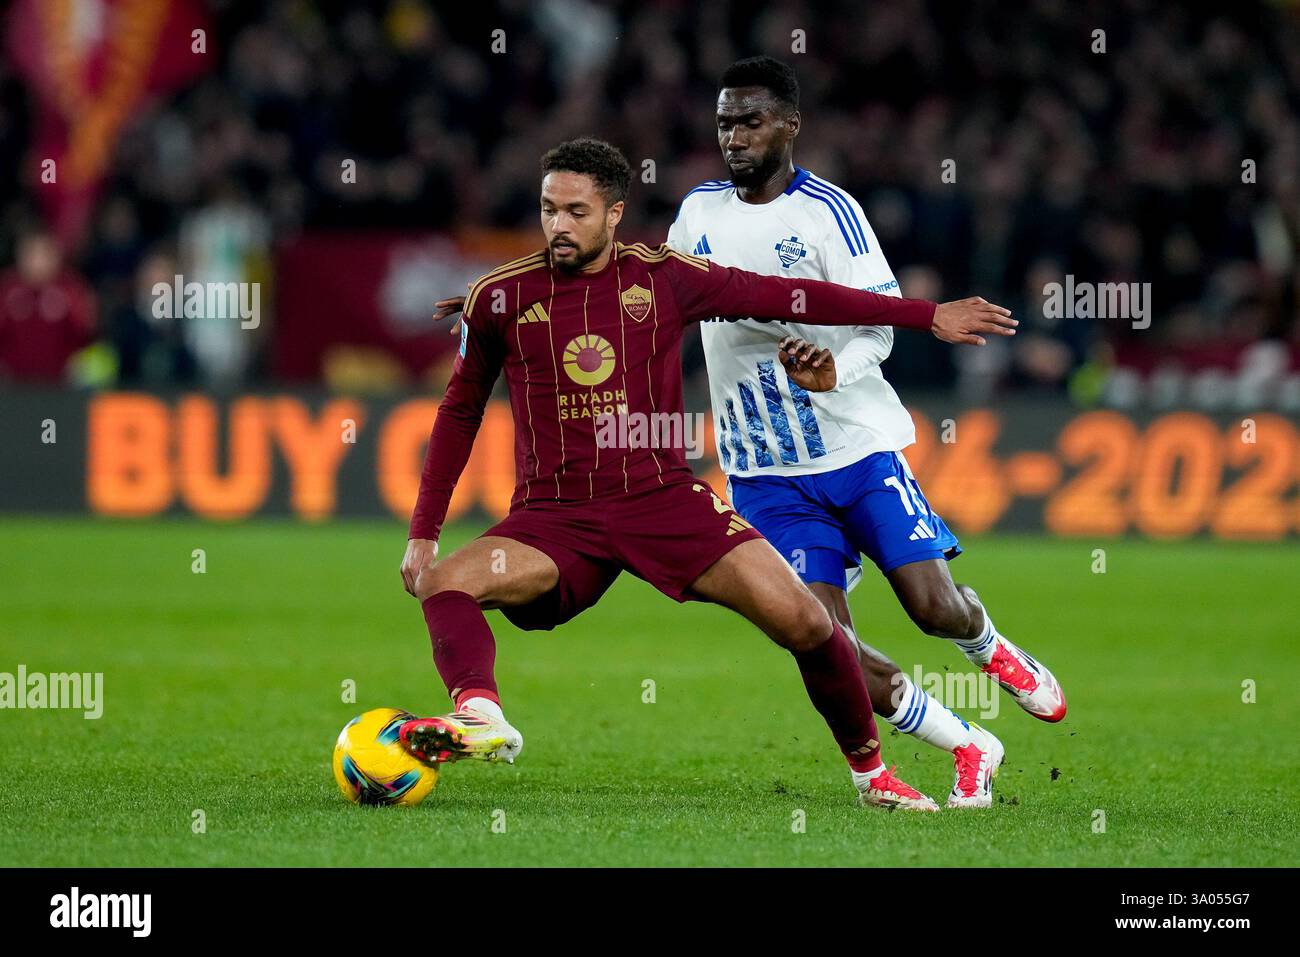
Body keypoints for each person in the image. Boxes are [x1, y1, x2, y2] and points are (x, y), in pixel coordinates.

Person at [404, 137, 1016, 810]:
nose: (558, 225)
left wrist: (927, 316)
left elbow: (797, 295)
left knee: (810, 623)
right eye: (549, 209)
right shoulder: (501, 297)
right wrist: (424, 530)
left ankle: (872, 774)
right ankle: (482, 717)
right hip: (555, 518)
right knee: (445, 581)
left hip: (664, 502)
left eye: (576, 211)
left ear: (614, 213)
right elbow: (459, 410)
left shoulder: (663, 278)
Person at [665, 57, 1067, 809]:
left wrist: (834, 370)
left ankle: (990, 645)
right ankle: (969, 742)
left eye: (750, 120)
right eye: (724, 122)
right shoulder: (697, 214)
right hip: (764, 471)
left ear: (790, 124)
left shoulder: (831, 214)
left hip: (853, 447)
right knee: (821, 640)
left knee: (930, 606)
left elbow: (878, 326)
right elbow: (657, 302)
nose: (734, 136)